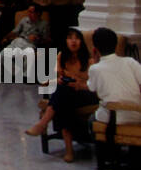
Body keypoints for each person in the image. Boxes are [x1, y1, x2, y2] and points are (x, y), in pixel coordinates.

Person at [25, 27, 97, 162]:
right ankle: (67, 150)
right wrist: (58, 80)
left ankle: (43, 124)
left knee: (61, 96)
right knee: (63, 96)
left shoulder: (89, 61)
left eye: (77, 38)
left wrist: (80, 85)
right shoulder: (61, 57)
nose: (73, 41)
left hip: (86, 94)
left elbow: (95, 86)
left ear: (81, 41)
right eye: (70, 38)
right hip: (68, 94)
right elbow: (56, 78)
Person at [90, 26, 141, 126]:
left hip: (112, 117)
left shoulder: (95, 68)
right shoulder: (130, 62)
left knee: (91, 120)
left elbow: (93, 90)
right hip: (137, 114)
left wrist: (96, 62)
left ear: (95, 49)